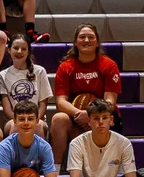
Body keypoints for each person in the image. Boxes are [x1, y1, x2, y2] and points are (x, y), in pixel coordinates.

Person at [50, 22, 120, 166]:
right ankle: (55, 170)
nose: (86, 40)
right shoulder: (65, 67)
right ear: (75, 42)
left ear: (97, 42)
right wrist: (79, 114)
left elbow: (110, 100)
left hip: (100, 116)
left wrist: (91, 115)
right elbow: (61, 101)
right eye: (82, 37)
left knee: (103, 120)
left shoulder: (109, 65)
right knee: (58, 118)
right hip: (75, 117)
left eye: (91, 37)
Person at [0, 34, 54, 131]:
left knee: (37, 127)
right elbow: (7, 110)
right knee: (15, 127)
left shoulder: (40, 71)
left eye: (23, 49)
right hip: (13, 120)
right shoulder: (2, 76)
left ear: (28, 52)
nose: (19, 51)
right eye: (16, 48)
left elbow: (43, 105)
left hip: (37, 119)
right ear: (9, 50)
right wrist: (20, 120)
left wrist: (33, 120)